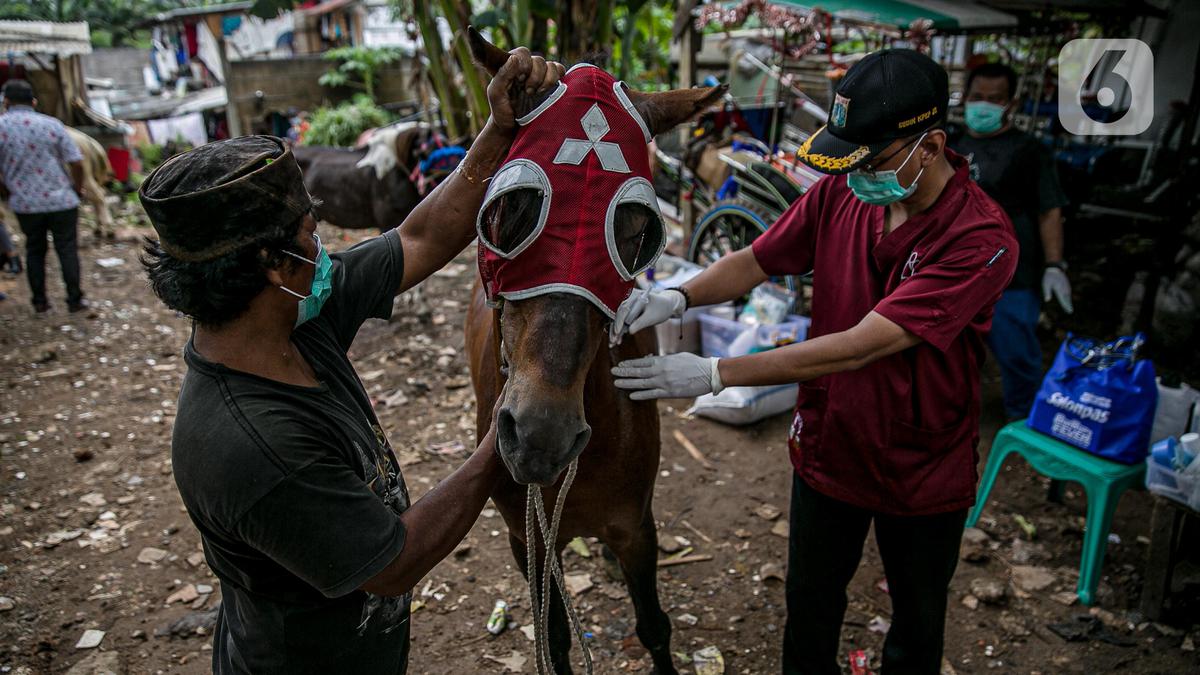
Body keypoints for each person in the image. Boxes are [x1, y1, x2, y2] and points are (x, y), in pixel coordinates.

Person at [138, 50, 564, 674]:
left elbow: (420, 238)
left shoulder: (290, 316)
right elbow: (394, 563)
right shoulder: (250, 444)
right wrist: (501, 440)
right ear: (272, 265)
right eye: (312, 234)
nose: (325, 248)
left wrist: (500, 129)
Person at [610, 49, 1018, 674]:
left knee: (916, 621)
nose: (856, 174)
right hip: (830, 442)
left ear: (930, 147)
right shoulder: (843, 194)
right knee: (809, 604)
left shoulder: (980, 240)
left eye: (871, 159)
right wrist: (678, 293)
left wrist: (716, 372)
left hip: (921, 459)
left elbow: (864, 342)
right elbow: (758, 259)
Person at [949, 62, 1072, 421]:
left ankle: (1023, 418)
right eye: (977, 97)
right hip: (956, 264)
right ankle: (950, 412)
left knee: (1015, 347)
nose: (983, 105)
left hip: (1012, 271)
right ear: (965, 97)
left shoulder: (1029, 150)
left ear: (1011, 104)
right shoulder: (951, 143)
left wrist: (1054, 265)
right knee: (950, 347)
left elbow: (1050, 210)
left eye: (994, 99)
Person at [0, 79, 87, 313]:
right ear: (34, 102)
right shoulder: (52, 125)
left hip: (25, 204)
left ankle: (40, 302)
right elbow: (76, 162)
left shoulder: (1, 127)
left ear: (6, 102)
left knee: (35, 251)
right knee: (67, 249)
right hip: (62, 200)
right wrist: (77, 188)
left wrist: (7, 190)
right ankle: (74, 300)